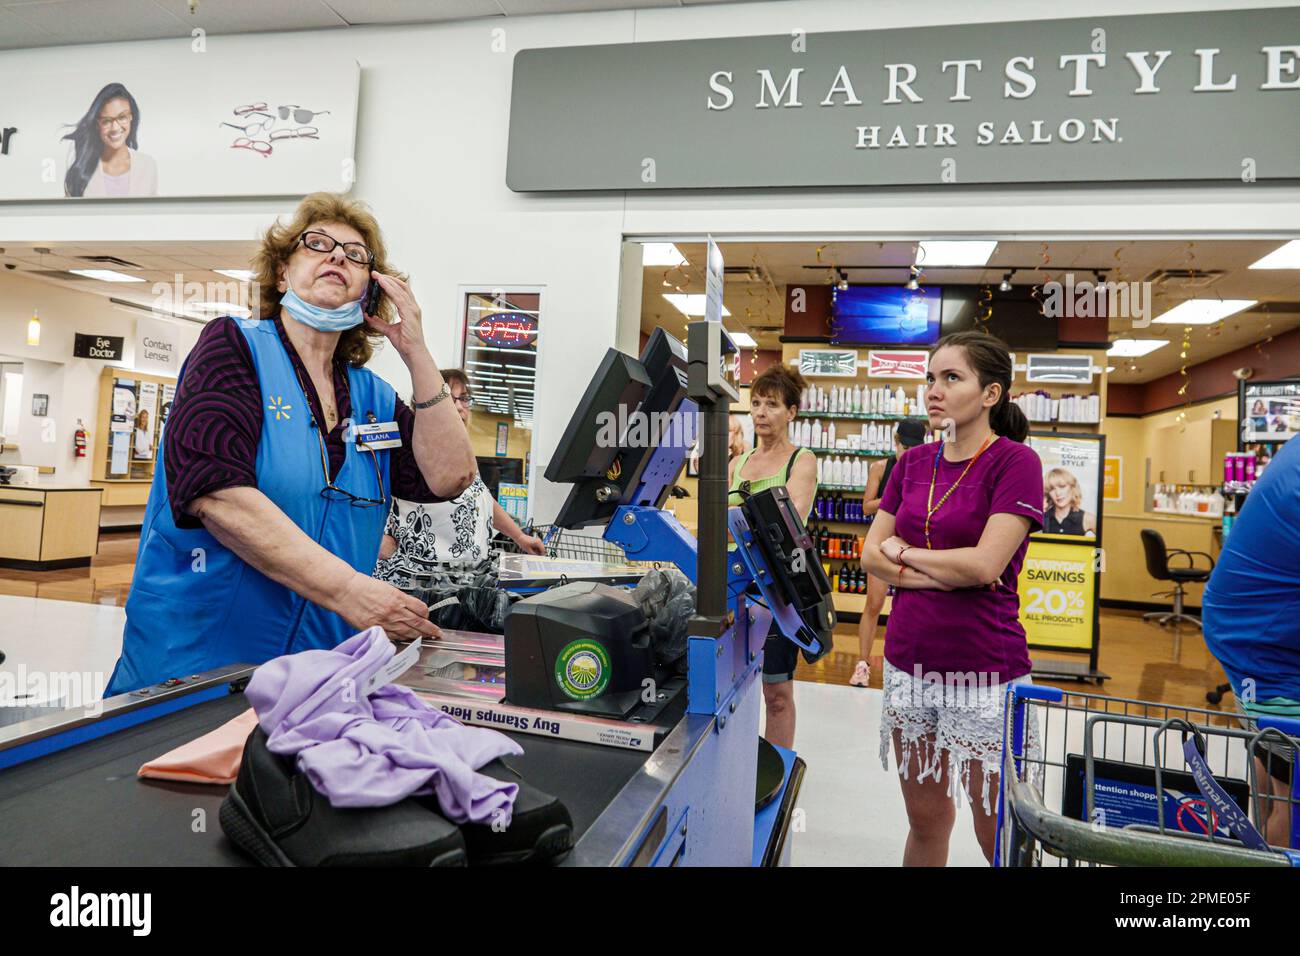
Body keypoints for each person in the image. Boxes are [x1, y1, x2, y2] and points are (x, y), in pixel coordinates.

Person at [104, 192, 477, 695]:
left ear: (369, 291)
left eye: (355, 254)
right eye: (318, 244)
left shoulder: (373, 397)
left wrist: (416, 351)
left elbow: (451, 476)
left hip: (319, 674)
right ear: (282, 274)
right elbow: (215, 493)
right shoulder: (232, 347)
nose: (337, 257)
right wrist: (351, 591)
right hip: (202, 664)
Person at [862, 331, 1043, 866]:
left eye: (951, 377)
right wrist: (944, 571)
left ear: (991, 394)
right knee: (926, 821)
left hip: (985, 672)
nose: (934, 390)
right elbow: (870, 555)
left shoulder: (1015, 463)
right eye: (930, 378)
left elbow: (985, 565)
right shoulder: (912, 463)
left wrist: (905, 555)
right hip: (909, 665)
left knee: (1000, 832)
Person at [1203, 436, 1300, 848]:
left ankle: (1256, 850)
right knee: (1291, 803)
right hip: (1266, 647)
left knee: (1268, 762)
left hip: (1247, 635)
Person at [375, 368, 545, 578]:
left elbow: (480, 496)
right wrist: (375, 538)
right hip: (415, 581)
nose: (458, 407)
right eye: (447, 398)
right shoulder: (406, 446)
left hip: (462, 581)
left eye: (464, 399)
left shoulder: (462, 456)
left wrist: (520, 537)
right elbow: (369, 491)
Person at [728, 365, 817, 751]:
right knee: (730, 686)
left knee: (776, 692)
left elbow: (789, 520)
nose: (761, 413)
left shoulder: (802, 460)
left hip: (777, 591)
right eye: (757, 404)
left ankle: (778, 770)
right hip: (732, 587)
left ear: (792, 412)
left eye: (773, 405)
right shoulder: (736, 464)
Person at [849, 418, 927, 688]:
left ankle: (913, 671)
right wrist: (898, 495)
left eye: (913, 447)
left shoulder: (927, 467)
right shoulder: (880, 468)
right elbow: (867, 506)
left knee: (915, 607)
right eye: (904, 447)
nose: (908, 453)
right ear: (896, 442)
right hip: (882, 543)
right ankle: (862, 664)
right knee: (874, 604)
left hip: (914, 543)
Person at [63, 83, 158, 198]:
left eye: (122, 117)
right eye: (106, 121)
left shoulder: (147, 165)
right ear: (97, 124)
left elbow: (153, 213)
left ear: (131, 117)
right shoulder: (81, 170)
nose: (115, 128)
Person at [1042, 467, 1096, 536]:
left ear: (1072, 487)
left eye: (1062, 487)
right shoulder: (1042, 518)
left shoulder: (1088, 519)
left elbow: (1106, 543)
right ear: (1048, 493)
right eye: (1052, 489)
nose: (1058, 493)